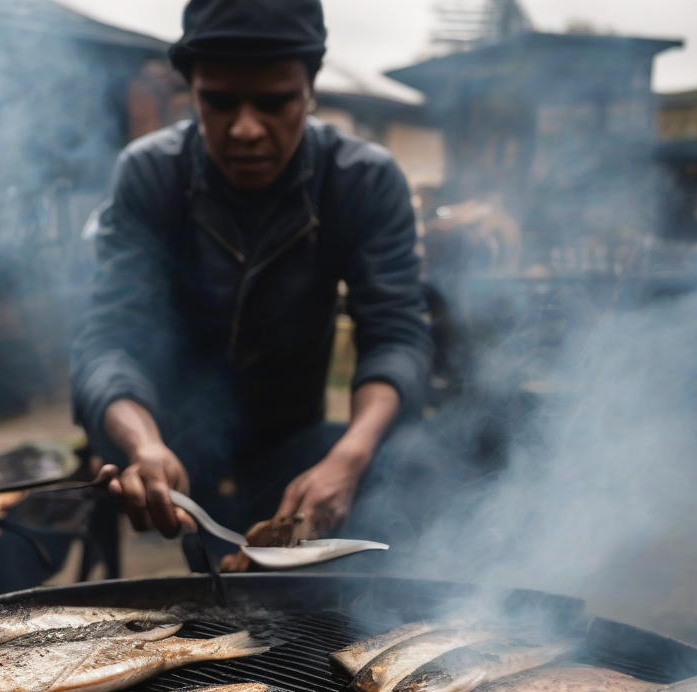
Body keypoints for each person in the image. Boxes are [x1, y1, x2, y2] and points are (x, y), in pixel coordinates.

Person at [72, 0, 431, 566]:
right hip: (181, 459)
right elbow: (109, 339)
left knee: (412, 459)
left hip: (296, 445)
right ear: (191, 91)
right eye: (218, 101)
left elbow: (396, 335)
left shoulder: (362, 180)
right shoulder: (150, 174)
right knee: (222, 603)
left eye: (274, 102)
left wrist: (352, 454)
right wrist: (143, 443)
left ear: (310, 90)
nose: (244, 128)